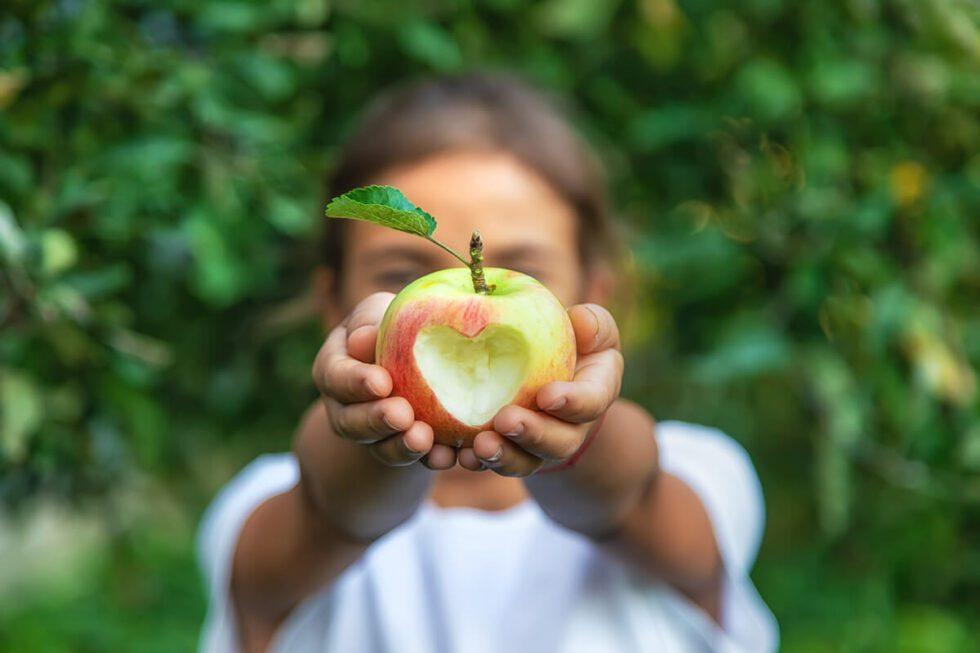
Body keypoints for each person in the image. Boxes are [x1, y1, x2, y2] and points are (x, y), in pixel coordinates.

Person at [197, 73, 778, 653]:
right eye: (402, 275)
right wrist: (369, 434)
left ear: (591, 296)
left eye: (523, 270)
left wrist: (577, 432)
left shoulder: (701, 473)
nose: (469, 313)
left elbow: (627, 498)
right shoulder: (267, 504)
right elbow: (330, 510)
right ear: (334, 304)